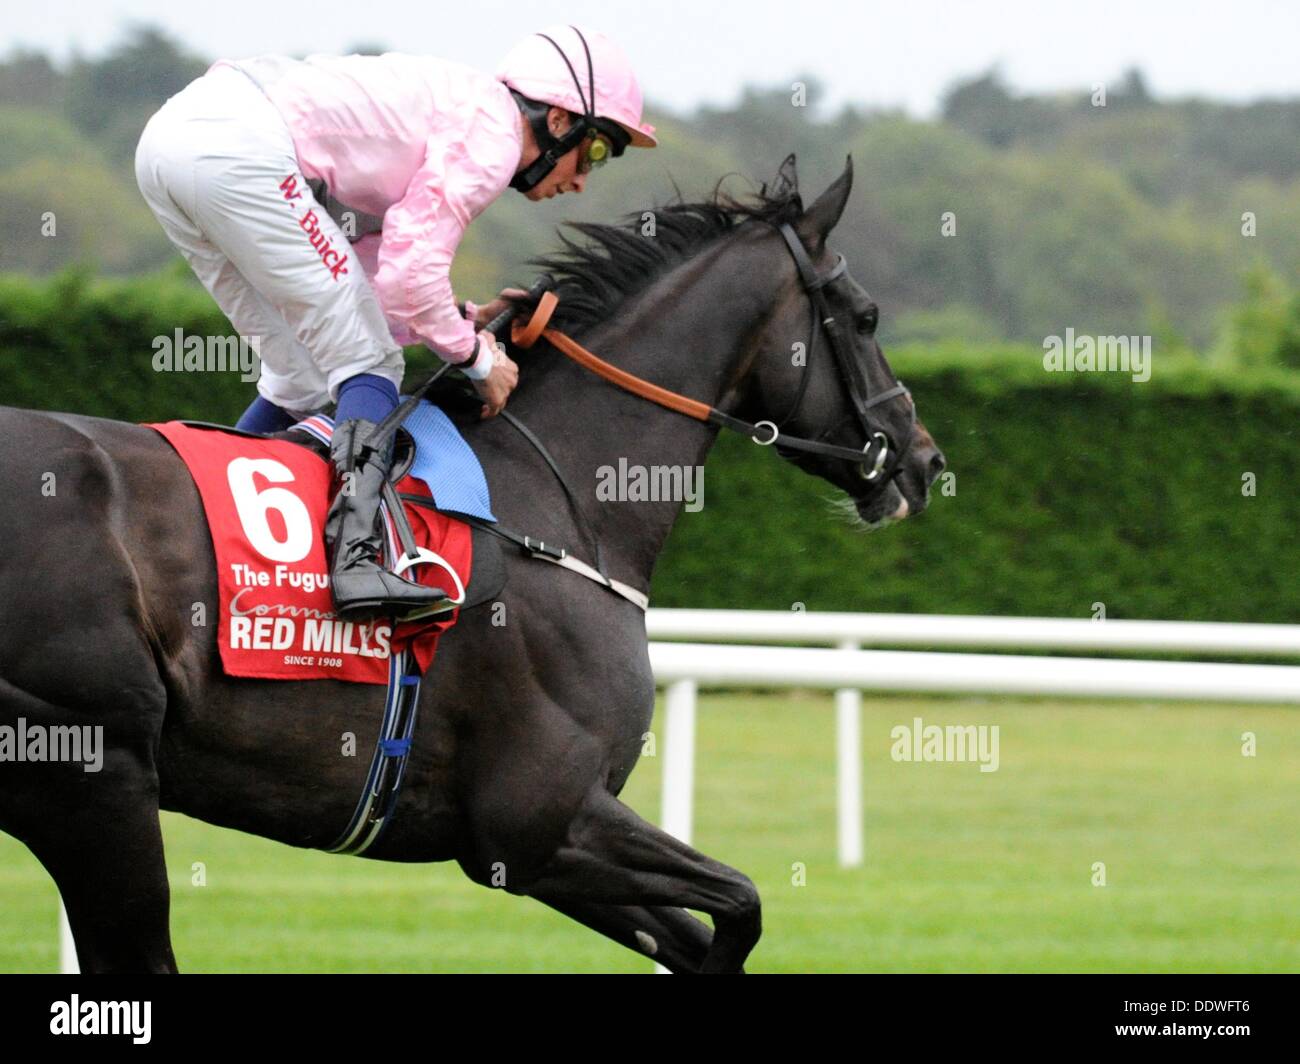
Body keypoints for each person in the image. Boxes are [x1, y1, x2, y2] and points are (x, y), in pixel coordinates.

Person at [135, 25, 657, 619]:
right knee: (368, 363)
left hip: (174, 144)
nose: (585, 179)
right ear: (560, 121)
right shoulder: (492, 137)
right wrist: (478, 360)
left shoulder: (464, 115)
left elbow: (381, 283)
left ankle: (203, 543)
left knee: (299, 376)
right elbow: (409, 282)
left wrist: (466, 320)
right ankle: (355, 562)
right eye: (595, 152)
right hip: (238, 149)